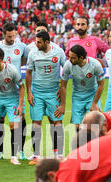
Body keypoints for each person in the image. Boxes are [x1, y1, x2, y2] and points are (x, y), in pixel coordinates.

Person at [25, 31, 66, 164]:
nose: (36, 44)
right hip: (37, 92)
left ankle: (59, 154)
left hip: (53, 92)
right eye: (36, 42)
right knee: (36, 122)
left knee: (57, 122)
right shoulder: (33, 53)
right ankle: (36, 155)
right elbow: (29, 73)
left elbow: (66, 70)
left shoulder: (59, 52)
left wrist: (62, 87)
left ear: (47, 42)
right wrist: (29, 93)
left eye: (39, 42)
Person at [0, 23, 29, 161]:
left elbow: (25, 59)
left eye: (13, 35)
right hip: (0, 90)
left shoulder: (21, 46)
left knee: (21, 118)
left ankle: (22, 150)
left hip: (16, 89)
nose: (12, 38)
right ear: (3, 34)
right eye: (9, 36)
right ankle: (0, 152)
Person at [61, 44, 105, 129]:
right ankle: (80, 142)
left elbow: (101, 84)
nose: (70, 60)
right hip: (77, 96)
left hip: (92, 94)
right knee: (77, 126)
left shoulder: (95, 64)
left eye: (73, 57)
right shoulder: (68, 65)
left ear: (81, 58)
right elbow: (63, 85)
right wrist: (62, 105)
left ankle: (94, 142)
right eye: (69, 57)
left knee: (93, 124)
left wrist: (95, 103)